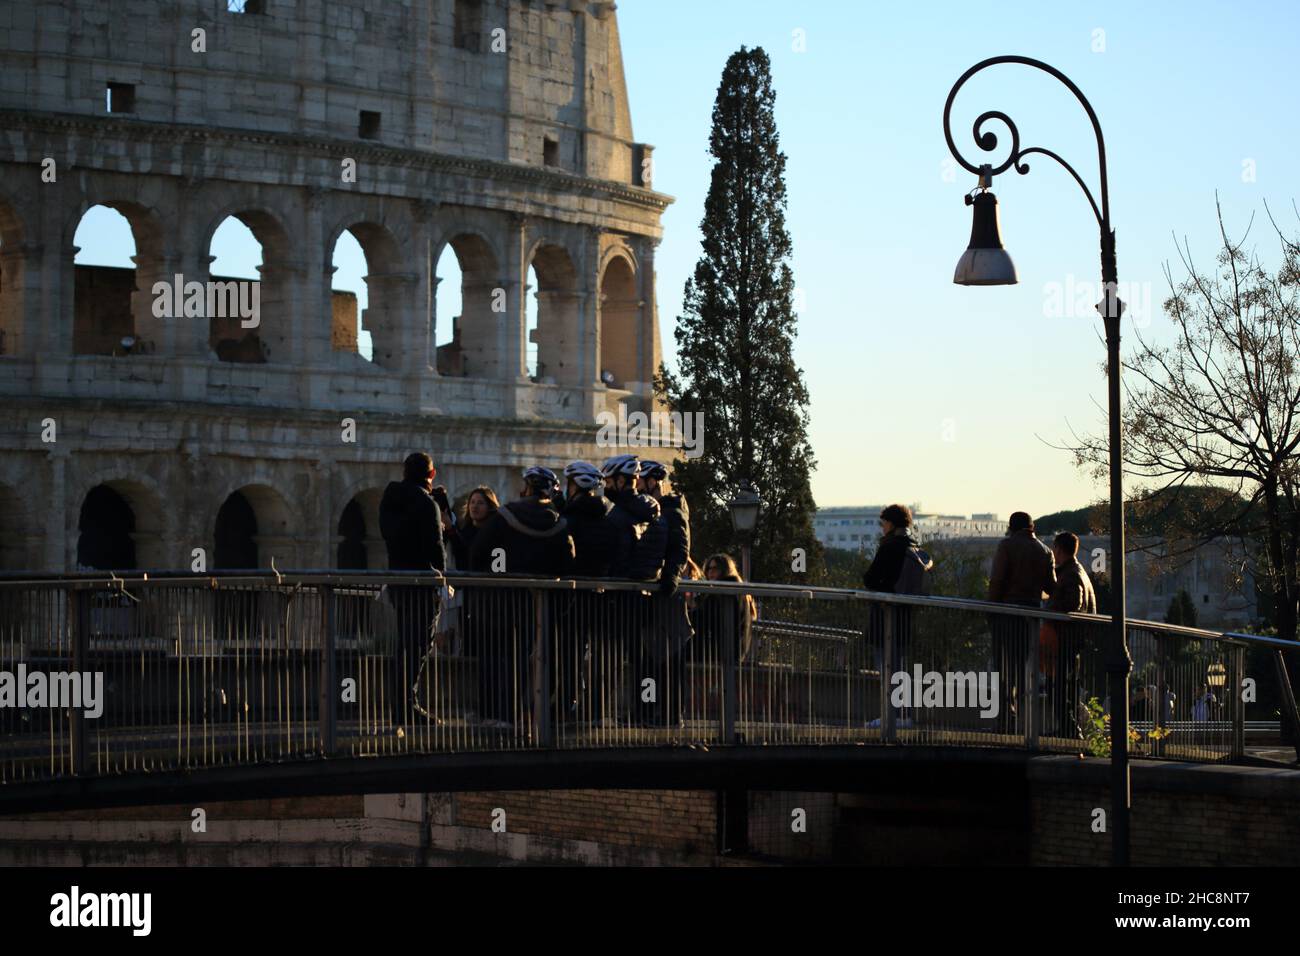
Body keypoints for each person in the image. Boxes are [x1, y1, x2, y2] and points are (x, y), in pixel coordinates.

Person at [468, 467, 575, 732]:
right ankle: (518, 714)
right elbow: (565, 563)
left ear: (526, 488)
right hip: (535, 602)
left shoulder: (505, 516)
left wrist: (498, 569)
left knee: (495, 657)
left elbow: (479, 552)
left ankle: (494, 714)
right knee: (523, 660)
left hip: (497, 600)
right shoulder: (559, 523)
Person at [377, 452, 446, 732]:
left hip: (398, 580)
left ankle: (401, 707)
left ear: (404, 472)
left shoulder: (390, 498)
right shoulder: (427, 504)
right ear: (431, 475)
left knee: (403, 645)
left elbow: (391, 534)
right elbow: (435, 548)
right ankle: (408, 706)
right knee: (417, 646)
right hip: (423, 584)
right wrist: (443, 580)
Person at [987, 512, 1056, 735]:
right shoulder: (1045, 551)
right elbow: (1051, 587)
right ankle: (1015, 712)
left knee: (1001, 664)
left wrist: (991, 608)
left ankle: (1005, 714)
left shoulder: (1006, 546)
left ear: (1011, 527)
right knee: (1019, 665)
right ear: (1032, 527)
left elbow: (997, 579)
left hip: (1007, 611)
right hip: (1032, 614)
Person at [557, 461, 615, 724]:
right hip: (600, 593)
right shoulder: (607, 517)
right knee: (599, 657)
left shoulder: (569, 519)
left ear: (575, 486)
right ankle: (597, 710)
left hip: (572, 594)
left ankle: (568, 705)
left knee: (569, 653)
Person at [637, 460, 693, 728]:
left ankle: (671, 715)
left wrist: (671, 575)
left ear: (652, 482)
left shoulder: (671, 513)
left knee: (670, 659)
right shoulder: (651, 512)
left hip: (668, 595)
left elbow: (680, 549)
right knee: (652, 657)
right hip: (653, 593)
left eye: (640, 481)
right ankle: (651, 711)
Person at [860, 504, 924, 728]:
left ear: (891, 523)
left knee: (886, 667)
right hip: (905, 615)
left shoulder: (890, 546)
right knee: (899, 666)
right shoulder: (914, 546)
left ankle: (891, 716)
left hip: (885, 614)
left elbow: (870, 578)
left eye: (884, 522)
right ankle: (902, 715)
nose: (882, 527)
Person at [1042, 531, 1098, 736]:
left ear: (1058, 548)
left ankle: (1068, 728)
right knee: (1068, 685)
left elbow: (1074, 603)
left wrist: (1048, 611)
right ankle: (1071, 728)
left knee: (1056, 685)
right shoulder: (1079, 570)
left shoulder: (1071, 574)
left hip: (1064, 637)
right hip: (1074, 637)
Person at [446, 486, 499, 571]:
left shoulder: (497, 534)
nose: (475, 506)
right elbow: (461, 554)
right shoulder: (465, 531)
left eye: (480, 503)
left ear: (490, 507)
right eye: (472, 502)